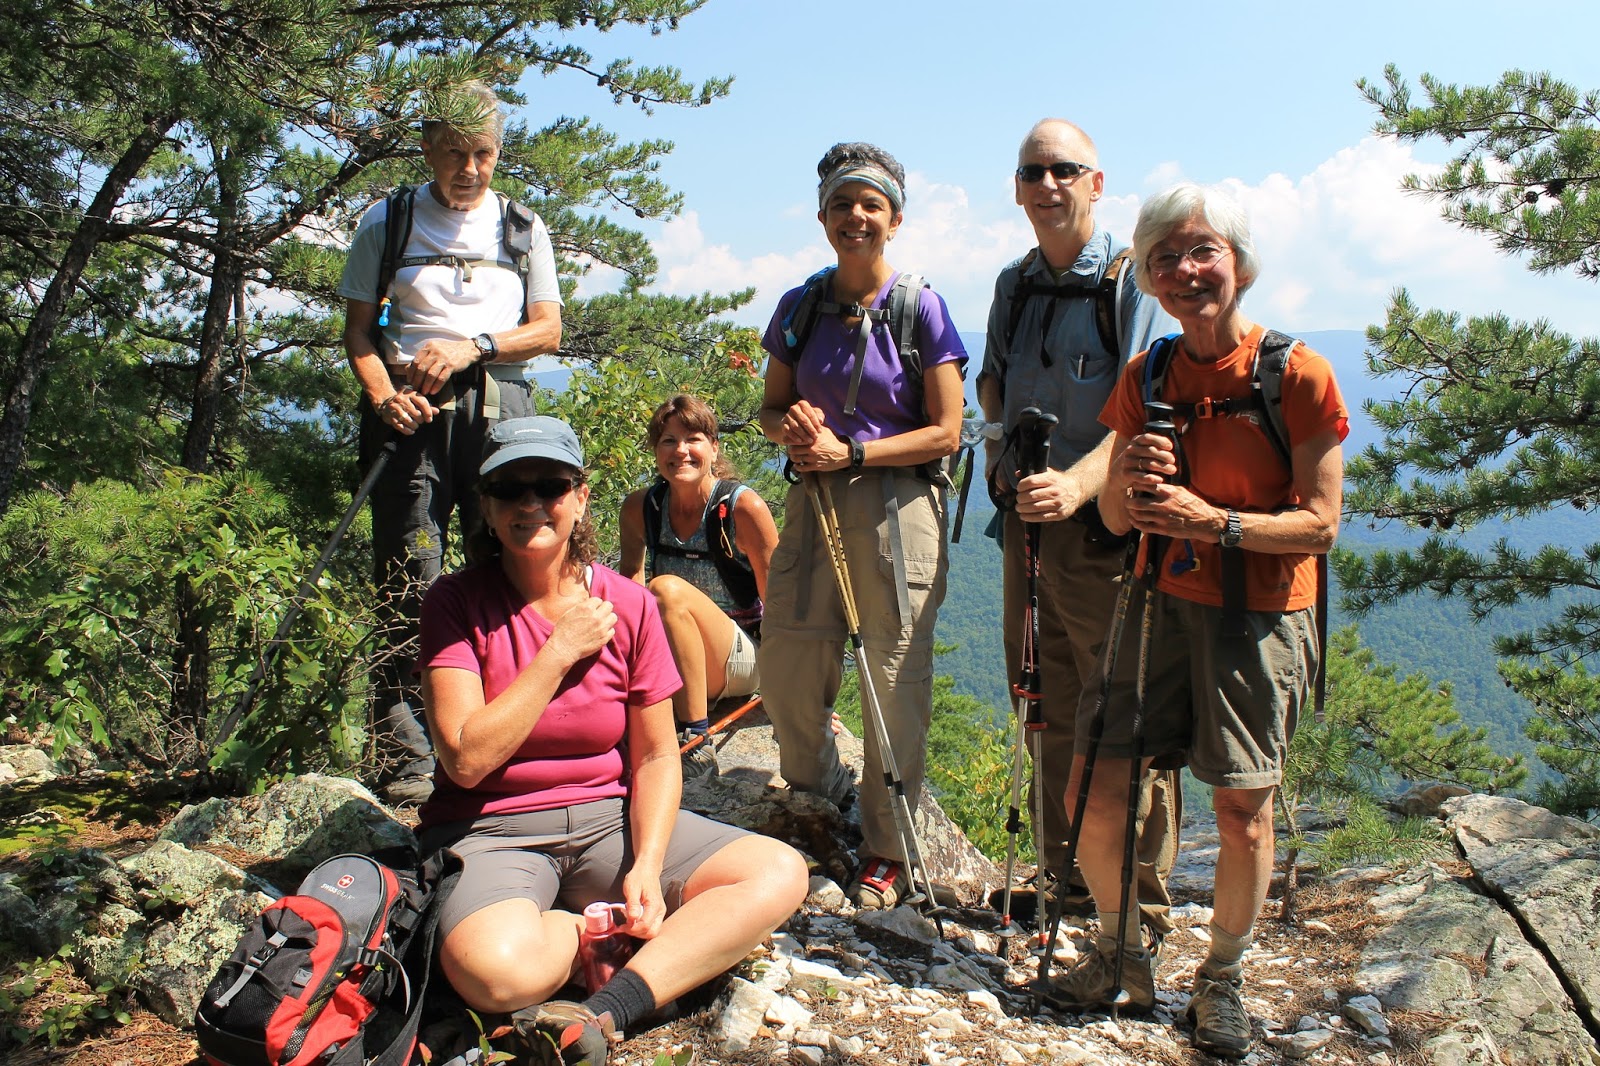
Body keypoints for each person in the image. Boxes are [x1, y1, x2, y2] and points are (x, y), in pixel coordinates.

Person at [1050, 183, 1346, 1060]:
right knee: (1093, 783)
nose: (1185, 270)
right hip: (1153, 600)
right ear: (1149, 277)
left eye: (1202, 250)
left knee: (1241, 808)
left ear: (1238, 264)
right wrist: (1129, 478)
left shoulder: (1295, 374)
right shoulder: (1149, 376)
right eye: (1165, 258)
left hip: (1257, 615)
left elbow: (1322, 525)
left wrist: (1212, 523)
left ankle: (1221, 977)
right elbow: (1114, 520)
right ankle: (1120, 953)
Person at [414, 415, 809, 1066]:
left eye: (550, 486)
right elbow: (464, 758)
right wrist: (558, 652)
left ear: (580, 497)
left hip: (608, 822)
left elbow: (655, 755)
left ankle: (607, 1008)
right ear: (486, 507)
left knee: (778, 872)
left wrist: (648, 867)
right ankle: (596, 936)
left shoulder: (630, 604)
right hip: (490, 829)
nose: (530, 503)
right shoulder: (455, 603)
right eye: (509, 489)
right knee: (494, 975)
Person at [976, 119, 1182, 941]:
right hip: (1026, 526)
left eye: (1065, 170)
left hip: (1105, 531)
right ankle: (1065, 879)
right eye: (1033, 172)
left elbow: (1140, 410)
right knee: (1045, 700)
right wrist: (1001, 456)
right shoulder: (1014, 285)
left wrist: (1075, 483)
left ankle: (1138, 898)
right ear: (1017, 189)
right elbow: (993, 385)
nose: (1047, 185)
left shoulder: (1130, 283)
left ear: (1097, 183)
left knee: (1124, 710)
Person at [337, 80, 563, 804]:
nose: (469, 169)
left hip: (501, 407)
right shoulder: (390, 221)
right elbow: (359, 333)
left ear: (498, 151)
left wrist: (476, 345)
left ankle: (507, 741)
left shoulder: (522, 227)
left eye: (483, 153)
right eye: (455, 152)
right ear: (429, 147)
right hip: (410, 411)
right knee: (410, 574)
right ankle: (406, 760)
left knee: (509, 569)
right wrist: (384, 398)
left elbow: (548, 329)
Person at [757, 142, 967, 909]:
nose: (856, 217)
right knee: (788, 662)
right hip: (813, 500)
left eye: (871, 205)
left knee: (893, 679)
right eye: (842, 204)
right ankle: (818, 795)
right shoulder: (801, 306)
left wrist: (852, 450)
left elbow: (948, 431)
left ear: (895, 219)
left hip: (898, 507)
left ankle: (889, 848)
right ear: (822, 218)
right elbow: (769, 409)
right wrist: (792, 429)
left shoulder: (920, 308)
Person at [619, 395, 779, 780]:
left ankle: (695, 737)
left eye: (693, 439)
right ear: (655, 450)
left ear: (714, 447)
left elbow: (782, 605)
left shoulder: (742, 509)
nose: (681, 451)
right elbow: (628, 597)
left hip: (742, 658)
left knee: (666, 591)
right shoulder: (642, 509)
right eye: (668, 440)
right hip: (672, 659)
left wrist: (804, 700)